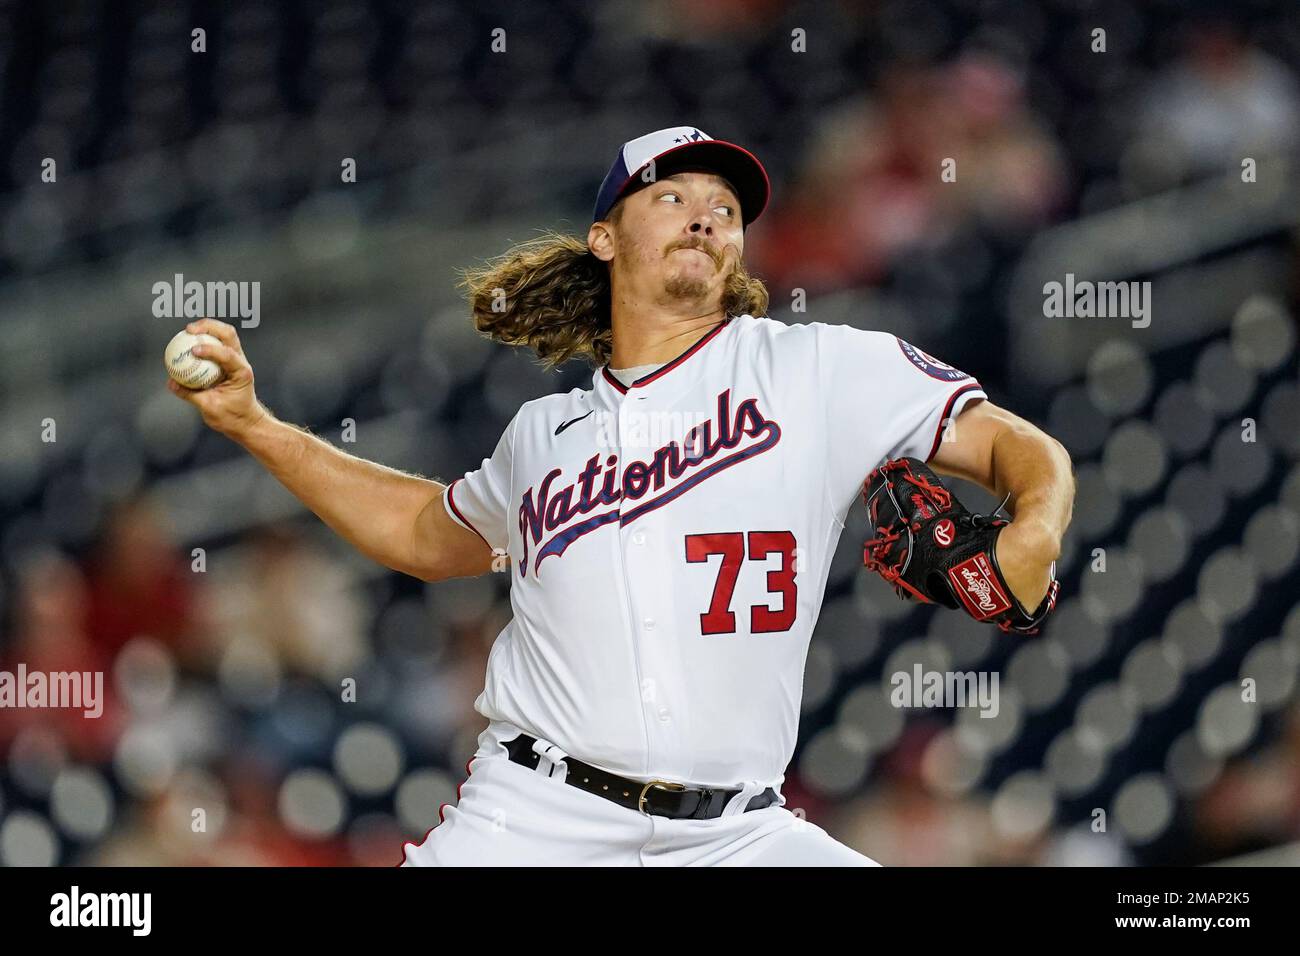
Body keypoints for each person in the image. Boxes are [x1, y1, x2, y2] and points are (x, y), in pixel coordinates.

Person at [170, 126, 1074, 866]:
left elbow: (1018, 449)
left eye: (725, 209)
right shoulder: (540, 437)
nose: (706, 218)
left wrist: (1037, 521)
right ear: (605, 237)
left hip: (737, 834)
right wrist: (258, 426)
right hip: (534, 818)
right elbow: (420, 529)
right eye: (673, 197)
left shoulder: (820, 368)